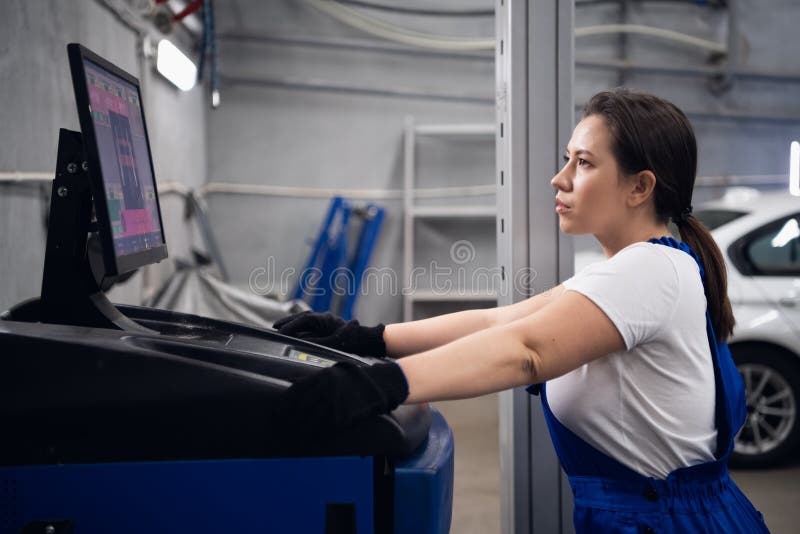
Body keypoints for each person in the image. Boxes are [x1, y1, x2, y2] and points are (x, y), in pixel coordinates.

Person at [274, 88, 769, 533]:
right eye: (567, 160)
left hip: (671, 523)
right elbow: (501, 322)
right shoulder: (637, 268)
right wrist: (368, 338)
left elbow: (526, 351)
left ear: (639, 187)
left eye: (584, 163)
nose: (559, 179)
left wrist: (382, 384)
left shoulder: (648, 271)